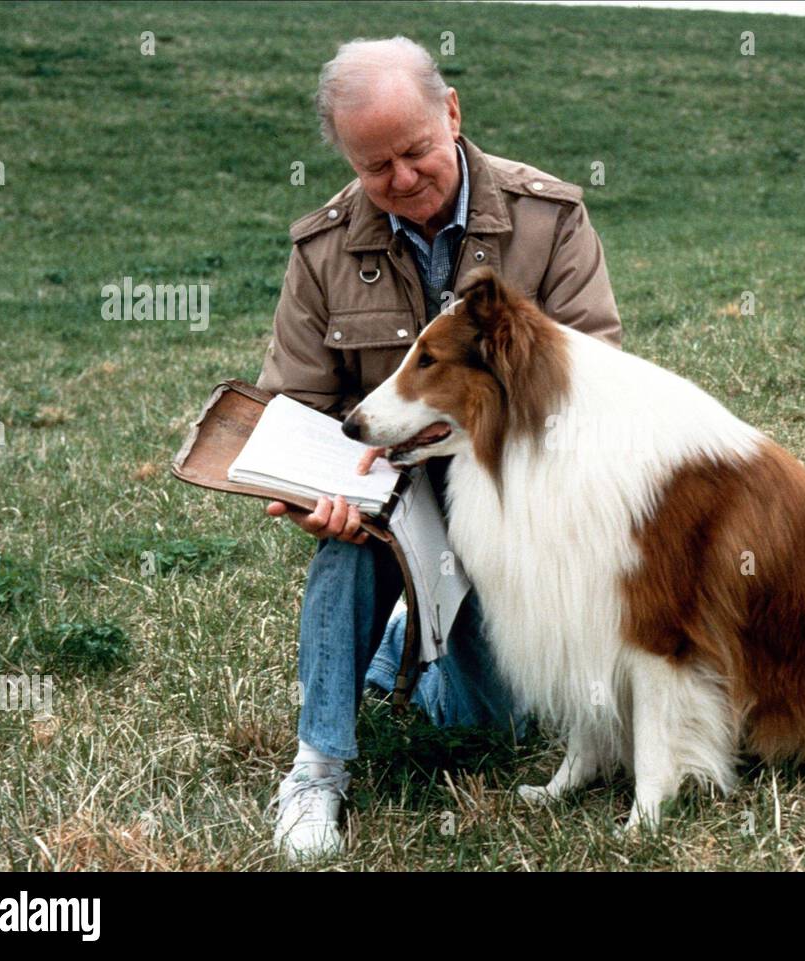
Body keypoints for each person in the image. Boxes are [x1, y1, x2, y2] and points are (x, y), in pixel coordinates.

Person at [255, 36, 622, 861]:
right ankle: (317, 771)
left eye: (417, 150)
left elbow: (594, 383)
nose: (402, 179)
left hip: (520, 502)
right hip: (387, 498)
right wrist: (314, 492)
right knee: (350, 546)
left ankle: (401, 647)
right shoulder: (319, 251)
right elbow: (298, 408)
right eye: (373, 165)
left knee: (490, 725)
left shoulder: (550, 217)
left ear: (451, 112)